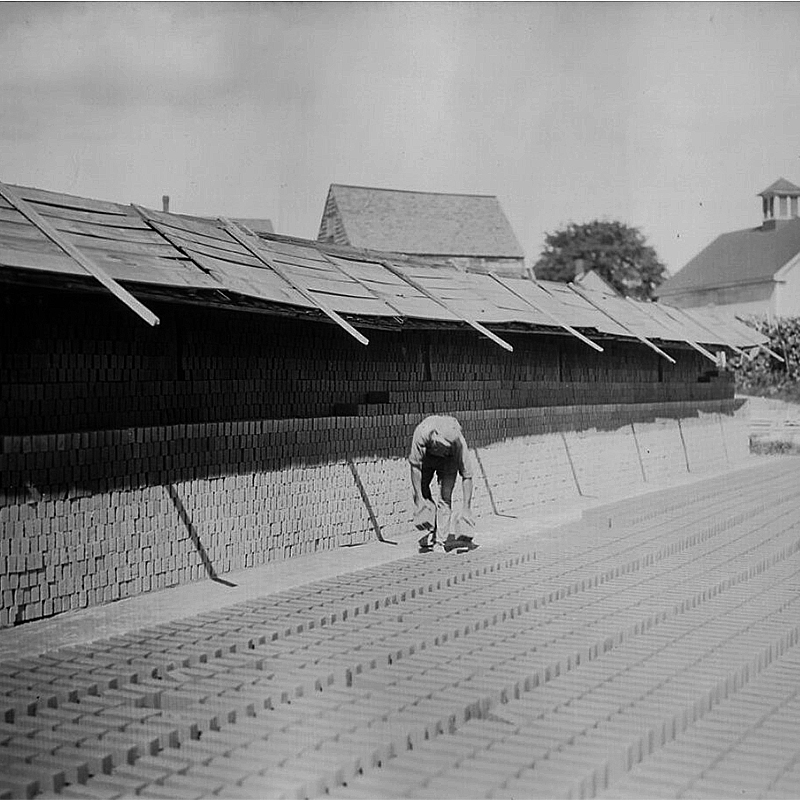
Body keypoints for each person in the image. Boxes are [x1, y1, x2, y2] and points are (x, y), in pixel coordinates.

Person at [408, 414, 475, 551]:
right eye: (444, 446)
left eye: (449, 446)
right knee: (421, 489)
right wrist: (419, 499)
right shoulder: (422, 432)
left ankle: (440, 541)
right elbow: (415, 467)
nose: (446, 449)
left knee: (445, 498)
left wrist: (466, 508)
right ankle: (431, 527)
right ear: (434, 435)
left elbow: (467, 476)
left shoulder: (458, 443)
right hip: (428, 457)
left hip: (449, 462)